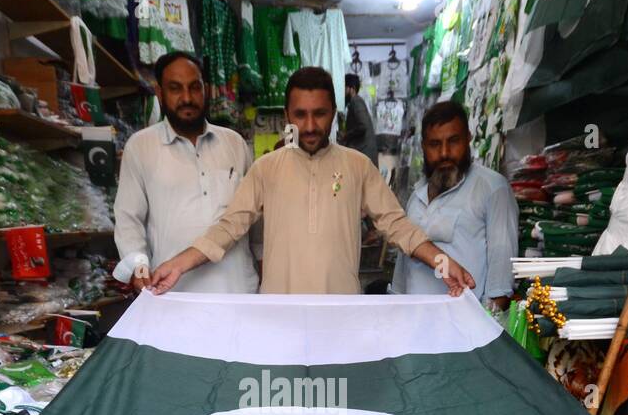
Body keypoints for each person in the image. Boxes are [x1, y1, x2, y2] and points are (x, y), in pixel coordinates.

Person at [149, 67, 474, 296]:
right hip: (279, 317)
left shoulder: (357, 165)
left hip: (341, 315)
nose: (309, 125)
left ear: (334, 112)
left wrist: (442, 263)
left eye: (319, 113)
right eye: (300, 114)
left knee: (339, 394)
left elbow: (397, 225)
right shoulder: (266, 168)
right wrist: (178, 263)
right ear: (288, 115)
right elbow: (229, 227)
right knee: (282, 395)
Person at [114, 51, 259, 293]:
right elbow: (129, 220)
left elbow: (254, 221)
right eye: (175, 88)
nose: (187, 97)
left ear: (206, 89)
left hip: (238, 291)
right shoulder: (140, 147)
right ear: (160, 93)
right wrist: (139, 268)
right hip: (175, 292)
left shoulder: (235, 144)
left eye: (195, 87)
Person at [391, 101, 517, 308]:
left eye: (453, 141)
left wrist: (486, 330)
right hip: (415, 326)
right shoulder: (417, 194)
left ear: (468, 138)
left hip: (463, 330)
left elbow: (501, 280)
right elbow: (402, 271)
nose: (444, 153)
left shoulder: (492, 189)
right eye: (434, 144)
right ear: (423, 146)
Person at [342, 73, 377, 165]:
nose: (342, 93)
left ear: (351, 89)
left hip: (364, 155)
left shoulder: (356, 102)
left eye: (344, 89)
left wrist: (346, 135)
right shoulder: (355, 102)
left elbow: (363, 126)